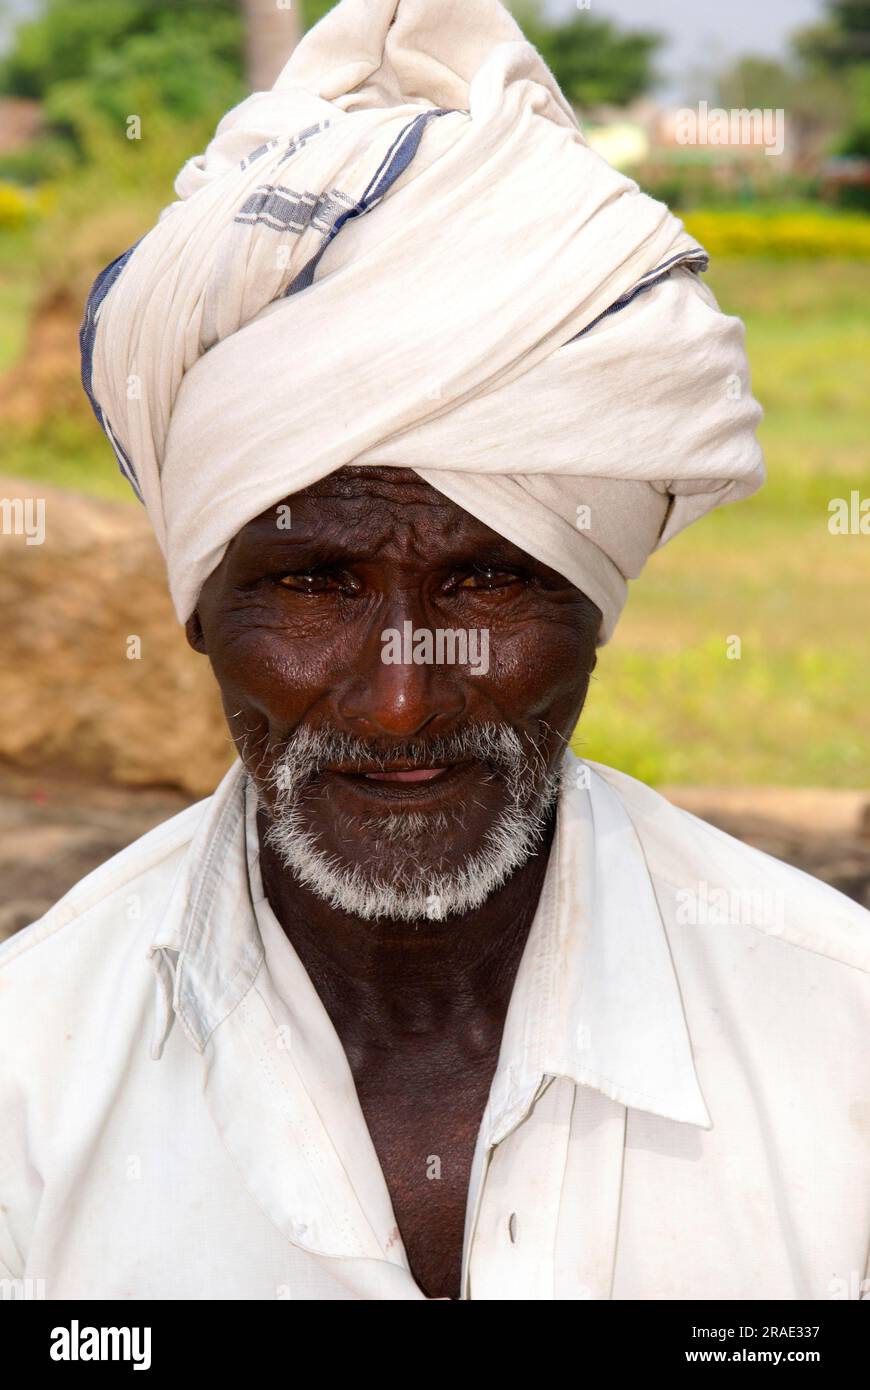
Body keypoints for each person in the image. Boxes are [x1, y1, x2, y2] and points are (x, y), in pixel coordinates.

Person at [1, 0, 867, 1302]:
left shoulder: (837, 1041)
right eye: (312, 582)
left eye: (491, 577)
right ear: (196, 602)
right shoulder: (28, 1073)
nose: (401, 701)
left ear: (596, 600)